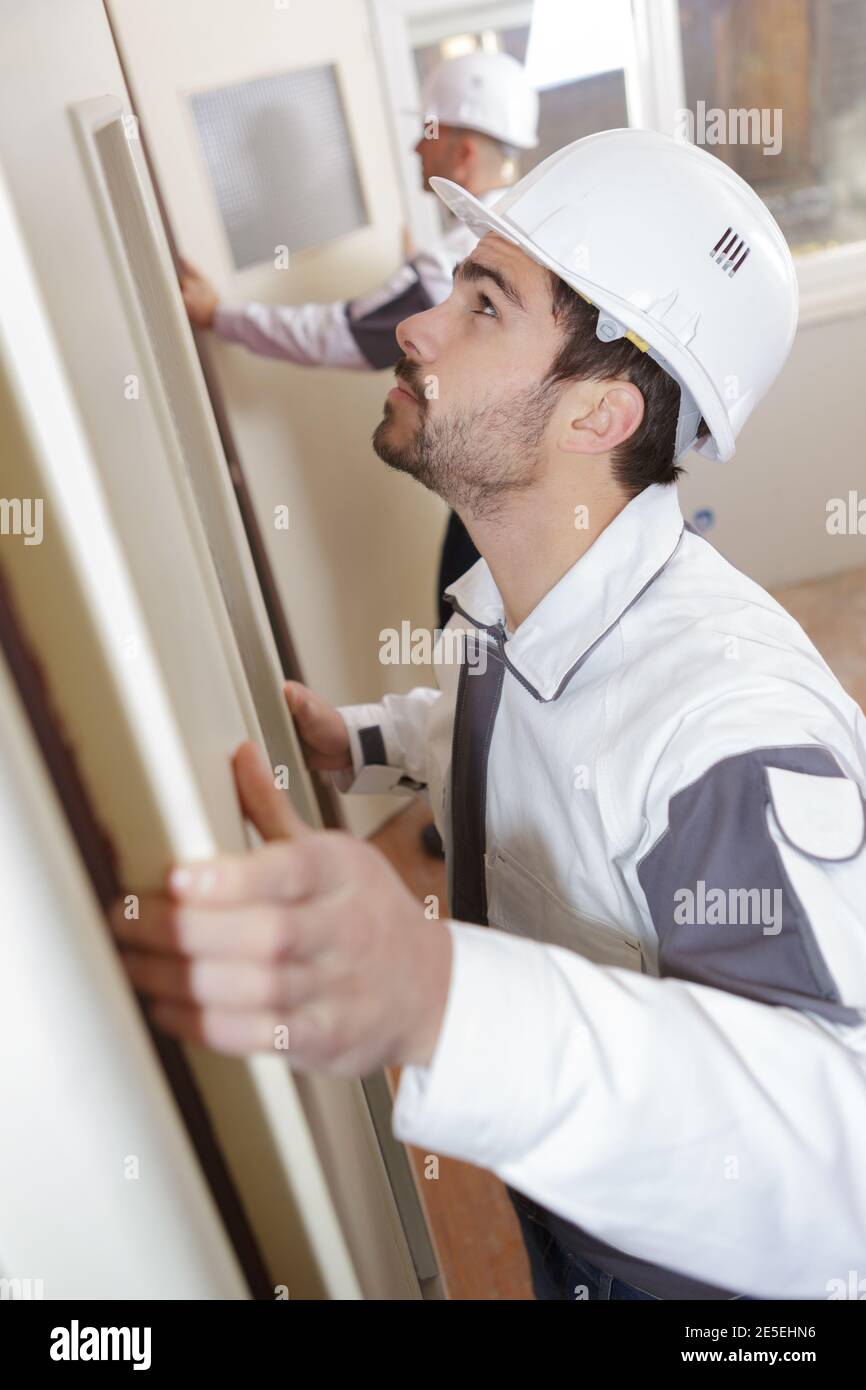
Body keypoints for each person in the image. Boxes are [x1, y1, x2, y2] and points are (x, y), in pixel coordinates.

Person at [112, 129, 866, 1301]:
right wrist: (357, 741)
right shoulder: (532, 601)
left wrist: (428, 988)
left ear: (598, 418)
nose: (416, 327)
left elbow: (839, 1162)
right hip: (573, 1207)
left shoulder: (727, 726)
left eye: (481, 302)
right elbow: (504, 729)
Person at [179, 50, 539, 634]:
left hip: (491, 510)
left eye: (427, 132)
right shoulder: (530, 235)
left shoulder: (454, 261)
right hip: (533, 501)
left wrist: (221, 316)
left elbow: (344, 335)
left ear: (464, 152)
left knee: (468, 651)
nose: (416, 147)